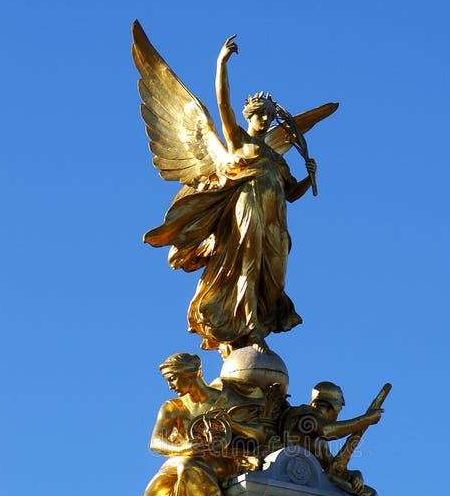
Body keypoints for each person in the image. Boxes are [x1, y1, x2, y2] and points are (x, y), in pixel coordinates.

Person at [132, 25, 333, 352]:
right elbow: (223, 105)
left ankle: (263, 318)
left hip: (275, 218)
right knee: (247, 266)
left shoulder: (274, 157)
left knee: (274, 275)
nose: (264, 122)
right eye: (259, 116)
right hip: (247, 209)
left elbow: (292, 194)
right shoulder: (239, 141)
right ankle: (250, 328)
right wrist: (222, 64)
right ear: (249, 116)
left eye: (268, 117)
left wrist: (309, 177)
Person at [138, 353, 271, 496]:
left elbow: (259, 434)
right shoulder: (173, 407)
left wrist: (232, 424)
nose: (170, 386)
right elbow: (156, 441)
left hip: (220, 459)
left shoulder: (225, 400)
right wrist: (184, 448)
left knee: (189, 468)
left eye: (172, 378)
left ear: (190, 374)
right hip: (181, 457)